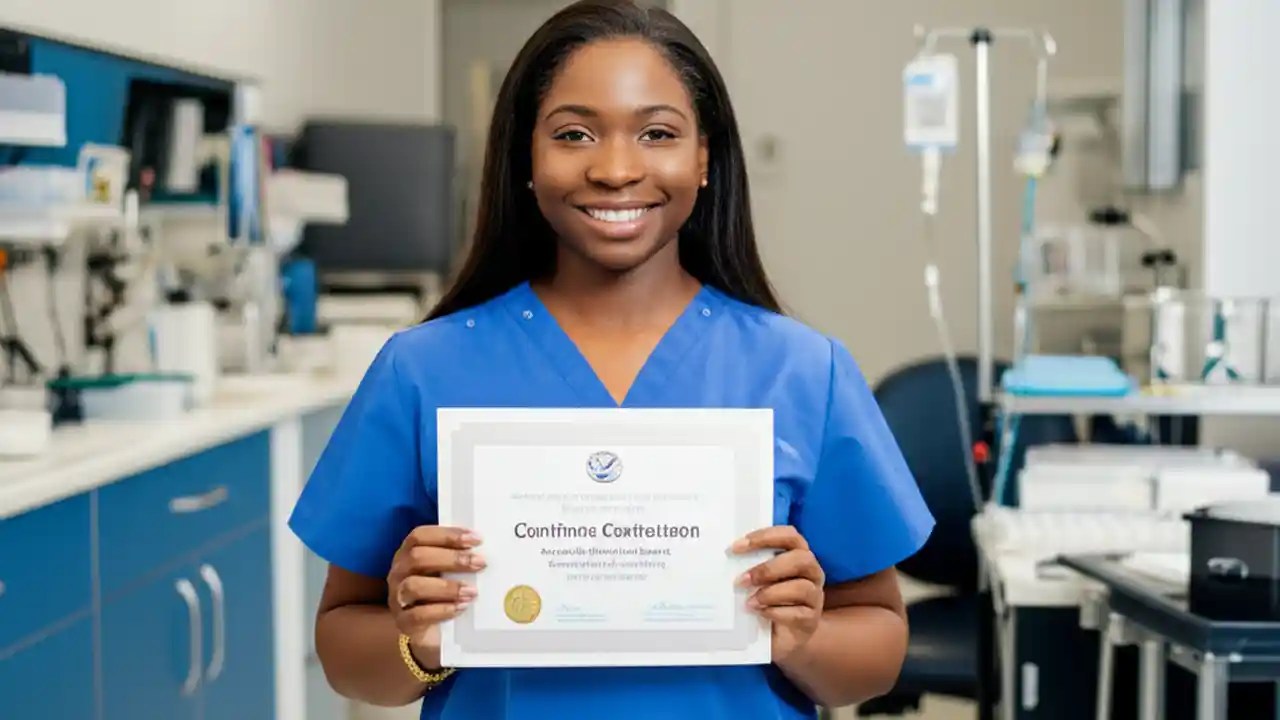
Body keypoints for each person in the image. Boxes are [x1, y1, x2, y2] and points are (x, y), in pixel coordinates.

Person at [288, 1, 934, 717]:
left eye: (657, 132)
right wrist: (423, 639)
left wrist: (802, 639)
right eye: (573, 133)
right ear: (526, 161)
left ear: (704, 157)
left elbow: (877, 649)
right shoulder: (422, 369)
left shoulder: (803, 371)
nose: (616, 169)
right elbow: (345, 649)